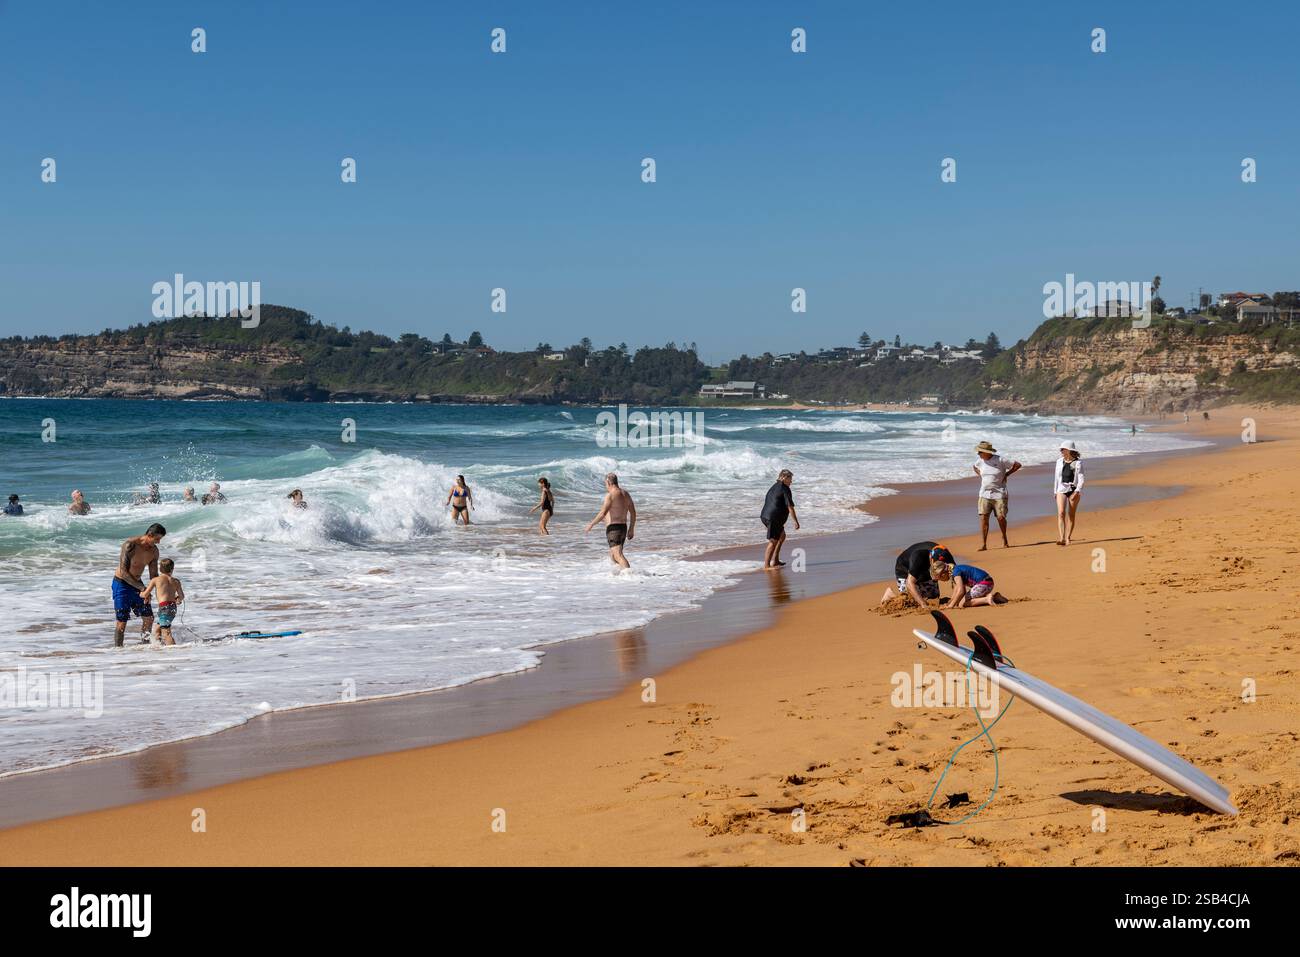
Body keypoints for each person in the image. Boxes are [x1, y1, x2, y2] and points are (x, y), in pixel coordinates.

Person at [112, 523, 166, 647]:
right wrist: (143, 589)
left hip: (138, 585)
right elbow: (124, 573)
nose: (158, 542)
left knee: (149, 618)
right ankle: (118, 650)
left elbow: (154, 576)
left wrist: (162, 593)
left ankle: (144, 646)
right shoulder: (130, 545)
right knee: (122, 621)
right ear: (150, 535)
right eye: (157, 539)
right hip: (121, 584)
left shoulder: (154, 552)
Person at [972, 441, 1020, 550]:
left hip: (1000, 493)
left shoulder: (1000, 460)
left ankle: (1004, 538)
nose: (978, 454)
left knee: (1001, 518)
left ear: (986, 452)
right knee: (984, 518)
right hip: (984, 494)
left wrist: (1007, 474)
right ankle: (984, 544)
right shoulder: (980, 461)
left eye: (980, 452)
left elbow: (1017, 465)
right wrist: (980, 474)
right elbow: (974, 467)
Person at [585, 472, 636, 570]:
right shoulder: (626, 494)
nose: (606, 486)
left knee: (618, 555)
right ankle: (619, 575)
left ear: (609, 482)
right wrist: (631, 528)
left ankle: (630, 575)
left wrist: (591, 524)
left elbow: (602, 513)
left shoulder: (610, 495)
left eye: (605, 484)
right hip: (623, 527)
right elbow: (633, 512)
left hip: (614, 529)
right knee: (613, 555)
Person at [881, 541, 954, 608]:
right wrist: (923, 604)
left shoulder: (946, 555)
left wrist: (955, 599)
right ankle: (890, 595)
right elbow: (909, 583)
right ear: (931, 559)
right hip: (904, 569)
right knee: (909, 600)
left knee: (933, 598)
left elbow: (958, 578)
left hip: (925, 570)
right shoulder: (918, 556)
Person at [760, 468, 800, 569]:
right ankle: (766, 566)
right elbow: (790, 507)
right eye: (790, 479)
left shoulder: (774, 486)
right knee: (773, 541)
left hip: (765, 516)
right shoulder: (785, 488)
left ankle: (776, 560)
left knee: (782, 536)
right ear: (784, 477)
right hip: (773, 518)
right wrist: (795, 521)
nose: (791, 481)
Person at [139, 557, 185, 646]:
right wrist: (177, 600)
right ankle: (159, 650)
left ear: (160, 569)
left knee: (166, 632)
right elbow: (181, 597)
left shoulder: (156, 580)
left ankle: (175, 651)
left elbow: (145, 594)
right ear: (172, 569)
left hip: (164, 608)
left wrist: (141, 594)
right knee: (157, 630)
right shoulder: (176, 581)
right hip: (172, 608)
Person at [932, 559, 1006, 608]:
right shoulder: (955, 569)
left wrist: (951, 606)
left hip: (983, 584)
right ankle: (996, 597)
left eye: (940, 579)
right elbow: (958, 589)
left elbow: (961, 591)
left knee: (962, 604)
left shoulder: (956, 572)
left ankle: (987, 599)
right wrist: (951, 602)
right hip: (988, 582)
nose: (943, 581)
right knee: (960, 602)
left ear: (943, 574)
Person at [1054, 441, 1084, 546]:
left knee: (1071, 515)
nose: (1061, 451)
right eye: (1061, 449)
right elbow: (1056, 478)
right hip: (1061, 490)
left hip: (1074, 490)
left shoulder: (1078, 463)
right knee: (1061, 513)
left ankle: (1068, 538)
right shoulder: (1059, 461)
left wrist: (1077, 491)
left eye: (1063, 449)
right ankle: (1061, 538)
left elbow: (1081, 479)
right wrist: (1055, 491)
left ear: (1068, 450)